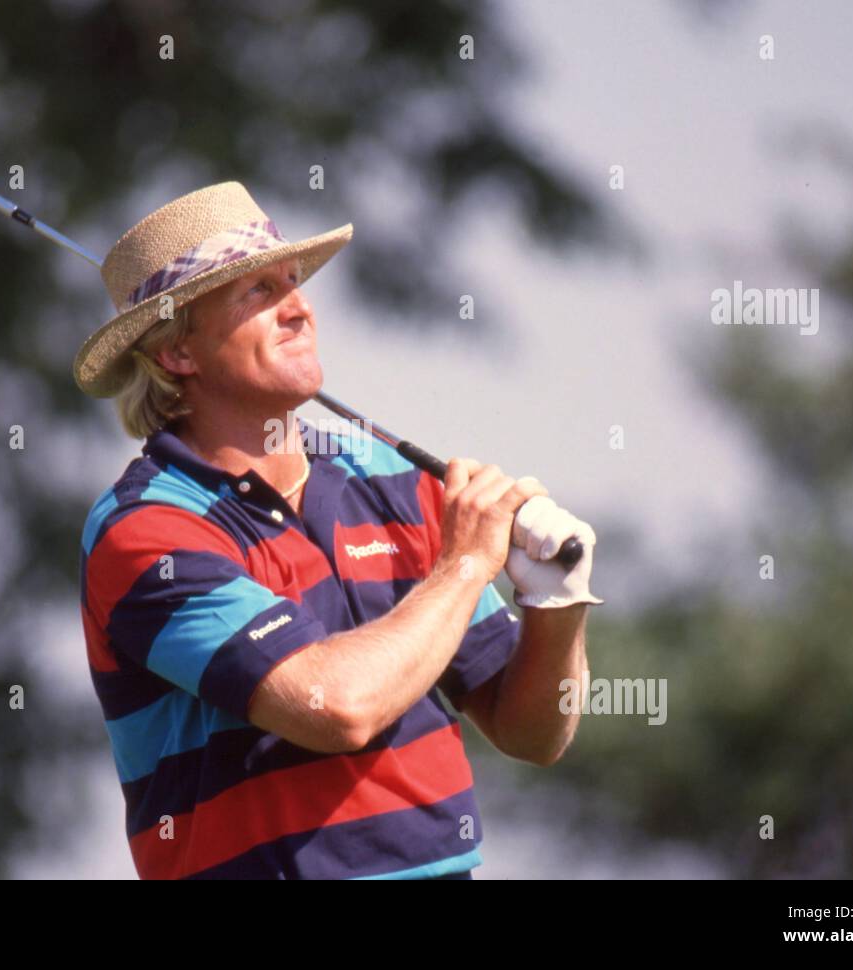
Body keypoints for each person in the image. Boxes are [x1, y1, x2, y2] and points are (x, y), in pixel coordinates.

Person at [73, 181, 603, 879]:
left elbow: (531, 731)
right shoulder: (146, 531)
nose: (299, 307)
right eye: (256, 294)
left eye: (291, 281)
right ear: (178, 354)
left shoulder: (388, 479)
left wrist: (556, 606)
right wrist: (466, 564)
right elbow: (338, 708)